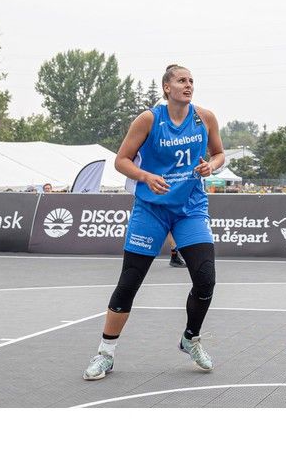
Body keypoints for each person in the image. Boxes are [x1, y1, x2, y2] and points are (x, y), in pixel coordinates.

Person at [82, 64, 225, 381]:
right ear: (167, 88)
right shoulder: (149, 120)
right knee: (129, 282)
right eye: (181, 80)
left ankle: (191, 338)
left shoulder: (205, 118)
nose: (188, 85)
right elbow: (121, 160)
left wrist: (210, 166)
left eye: (191, 80)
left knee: (206, 279)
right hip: (152, 208)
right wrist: (146, 176)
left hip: (190, 207)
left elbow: (219, 154)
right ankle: (105, 353)